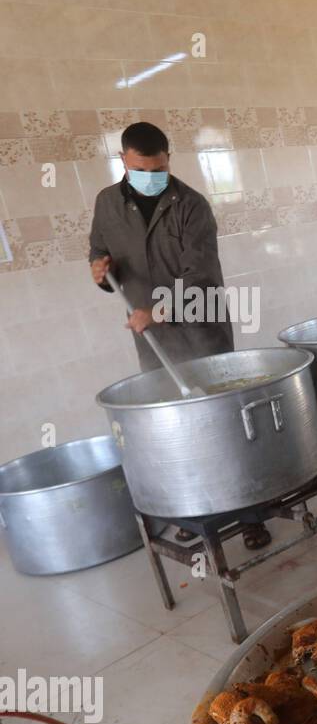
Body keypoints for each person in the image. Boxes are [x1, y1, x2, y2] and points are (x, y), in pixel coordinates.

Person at [88, 122, 269, 549]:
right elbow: (98, 250)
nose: (152, 177)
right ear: (124, 162)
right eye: (141, 169)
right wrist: (100, 269)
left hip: (202, 334)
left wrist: (160, 310)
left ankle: (250, 516)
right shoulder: (107, 204)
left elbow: (201, 275)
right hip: (152, 343)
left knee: (224, 426)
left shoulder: (191, 205)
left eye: (159, 168)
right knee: (178, 430)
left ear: (168, 160)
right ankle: (197, 510)